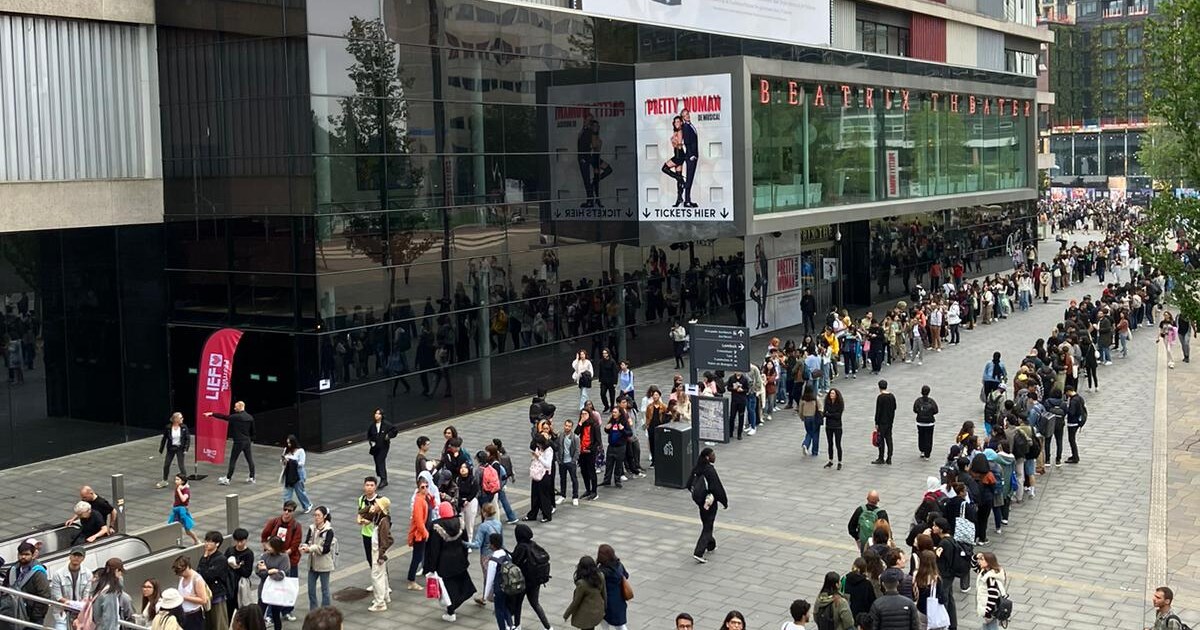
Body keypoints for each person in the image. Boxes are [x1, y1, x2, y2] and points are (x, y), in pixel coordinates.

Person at [423, 502, 477, 623]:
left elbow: (434, 549)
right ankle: (460, 600)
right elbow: (465, 543)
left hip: (444, 564)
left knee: (448, 590)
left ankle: (451, 611)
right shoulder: (460, 522)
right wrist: (465, 557)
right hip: (459, 560)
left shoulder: (436, 526)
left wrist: (431, 567)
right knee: (462, 583)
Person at [259, 502, 302, 622]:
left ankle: (287, 610)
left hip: (289, 561)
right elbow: (264, 535)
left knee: (288, 587)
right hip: (274, 559)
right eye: (285, 509)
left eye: (290, 510)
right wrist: (268, 549)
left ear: (293, 512)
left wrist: (283, 555)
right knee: (273, 586)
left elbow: (295, 544)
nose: (287, 512)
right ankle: (271, 614)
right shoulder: (274, 522)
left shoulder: (296, 526)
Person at [687, 447, 728, 564]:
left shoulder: (697, 468)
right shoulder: (709, 470)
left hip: (701, 502)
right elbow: (716, 487)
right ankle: (698, 552)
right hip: (709, 502)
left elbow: (689, 484)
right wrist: (724, 501)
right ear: (707, 457)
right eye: (712, 454)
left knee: (707, 523)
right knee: (708, 526)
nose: (714, 456)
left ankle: (711, 545)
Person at [511, 524, 553, 630]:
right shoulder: (533, 544)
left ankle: (517, 625)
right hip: (536, 580)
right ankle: (548, 627)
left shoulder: (521, 547)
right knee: (535, 604)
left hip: (524, 581)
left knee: (518, 603)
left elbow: (515, 562)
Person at [207, 401, 256, 486]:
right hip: (247, 441)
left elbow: (223, 417)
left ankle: (228, 478)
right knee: (249, 459)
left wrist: (212, 414)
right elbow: (253, 430)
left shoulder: (235, 417)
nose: (234, 408)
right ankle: (252, 477)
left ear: (240, 407)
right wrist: (250, 439)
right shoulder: (250, 417)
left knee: (233, 460)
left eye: (236, 407)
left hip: (238, 442)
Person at [300, 507, 335, 610]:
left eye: (318, 515)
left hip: (324, 564)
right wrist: (304, 546)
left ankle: (326, 610)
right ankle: (313, 610)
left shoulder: (329, 531)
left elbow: (325, 549)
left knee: (325, 590)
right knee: (311, 589)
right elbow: (307, 541)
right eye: (314, 515)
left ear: (324, 516)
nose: (316, 518)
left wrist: (312, 548)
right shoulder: (312, 528)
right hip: (312, 564)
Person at [196, 532, 232, 630]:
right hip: (206, 595)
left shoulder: (221, 559)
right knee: (208, 624)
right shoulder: (204, 557)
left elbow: (208, 576)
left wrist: (204, 564)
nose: (207, 544)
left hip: (217, 594)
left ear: (217, 544)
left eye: (210, 542)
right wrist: (204, 558)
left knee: (219, 624)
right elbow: (198, 573)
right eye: (206, 541)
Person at [50, 547, 91, 630]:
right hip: (62, 612)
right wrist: (72, 604)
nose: (76, 558)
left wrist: (78, 605)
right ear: (70, 556)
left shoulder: (87, 574)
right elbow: (57, 597)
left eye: (79, 556)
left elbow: (86, 596)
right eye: (74, 555)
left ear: (83, 558)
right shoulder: (58, 574)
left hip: (80, 613)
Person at [562, 556, 605, 630]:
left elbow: (576, 601)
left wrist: (566, 614)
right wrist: (604, 607)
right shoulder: (600, 575)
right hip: (597, 610)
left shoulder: (582, 584)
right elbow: (604, 593)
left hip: (586, 615)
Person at [256, 538, 290, 630]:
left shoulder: (284, 557)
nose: (268, 548)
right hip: (264, 590)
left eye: (270, 546)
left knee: (275, 615)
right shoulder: (265, 555)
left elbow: (282, 575)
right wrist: (271, 571)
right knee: (259, 615)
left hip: (277, 591)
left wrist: (266, 571)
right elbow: (259, 572)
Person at [405, 477, 432, 593]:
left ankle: (413, 578)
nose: (425, 489)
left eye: (426, 486)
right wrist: (425, 533)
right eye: (422, 487)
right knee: (417, 557)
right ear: (418, 488)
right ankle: (411, 580)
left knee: (419, 555)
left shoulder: (424, 497)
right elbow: (418, 520)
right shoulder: (418, 501)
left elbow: (432, 507)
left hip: (422, 532)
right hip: (419, 534)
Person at [367, 496, 394, 612]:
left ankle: (380, 602)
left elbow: (386, 539)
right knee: (382, 575)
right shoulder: (380, 517)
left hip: (378, 551)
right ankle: (385, 596)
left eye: (377, 504)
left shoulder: (383, 521)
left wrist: (381, 555)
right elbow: (363, 514)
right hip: (377, 550)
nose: (375, 504)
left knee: (376, 575)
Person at [482, 533, 514, 630]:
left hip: (499, 588)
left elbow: (490, 579)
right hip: (509, 586)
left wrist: (485, 595)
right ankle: (510, 625)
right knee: (506, 607)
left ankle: (503, 628)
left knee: (499, 610)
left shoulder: (493, 559)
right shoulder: (507, 554)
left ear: (492, 545)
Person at [914, 551, 950, 630]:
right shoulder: (936, 579)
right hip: (932, 610)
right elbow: (942, 599)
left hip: (920, 609)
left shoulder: (917, 575)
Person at [597, 544, 629, 630]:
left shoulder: (602, 572)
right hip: (619, 600)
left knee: (604, 624)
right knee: (620, 625)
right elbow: (626, 575)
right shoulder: (619, 565)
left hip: (607, 602)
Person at [172, 555, 210, 630]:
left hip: (194, 615)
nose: (181, 575)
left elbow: (203, 600)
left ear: (187, 567)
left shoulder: (197, 579)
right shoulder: (181, 577)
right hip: (182, 613)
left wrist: (184, 597)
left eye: (181, 572)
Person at [224, 529, 255, 617]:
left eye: (241, 541)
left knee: (242, 612)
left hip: (240, 586)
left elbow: (247, 573)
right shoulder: (230, 550)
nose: (239, 544)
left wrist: (237, 567)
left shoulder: (248, 554)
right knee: (228, 613)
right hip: (229, 585)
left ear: (246, 540)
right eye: (237, 541)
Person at [525, 434, 556, 523]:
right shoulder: (538, 448)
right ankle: (532, 514)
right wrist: (534, 457)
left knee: (544, 496)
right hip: (536, 473)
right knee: (535, 495)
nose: (537, 446)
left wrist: (539, 457)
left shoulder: (549, 450)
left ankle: (547, 515)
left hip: (545, 475)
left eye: (539, 444)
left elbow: (548, 464)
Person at [974, 552, 1007, 630]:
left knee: (991, 626)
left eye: (982, 560)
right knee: (987, 626)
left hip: (989, 609)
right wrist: (976, 556)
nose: (979, 561)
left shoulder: (990, 577)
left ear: (988, 562)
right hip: (986, 607)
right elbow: (973, 565)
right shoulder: (983, 571)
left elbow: (993, 596)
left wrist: (988, 612)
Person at [157, 412, 191, 488]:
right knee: (166, 464)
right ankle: (164, 480)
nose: (182, 419)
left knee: (181, 465)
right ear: (176, 419)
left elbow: (187, 439)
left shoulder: (184, 427)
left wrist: (186, 449)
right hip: (171, 448)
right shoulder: (168, 427)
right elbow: (164, 439)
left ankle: (184, 482)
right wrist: (161, 450)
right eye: (181, 418)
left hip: (180, 448)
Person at [280, 435, 312, 514]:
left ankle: (307, 505)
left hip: (298, 474)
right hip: (288, 473)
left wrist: (292, 461)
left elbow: (302, 463)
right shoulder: (286, 450)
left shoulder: (300, 451)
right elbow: (282, 460)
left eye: (290, 443)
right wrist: (284, 461)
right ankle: (287, 509)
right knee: (287, 493)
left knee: (300, 492)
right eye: (287, 443)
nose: (289, 445)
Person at [366, 409, 397, 489]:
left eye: (379, 414)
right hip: (375, 447)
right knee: (377, 461)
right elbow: (369, 435)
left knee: (380, 460)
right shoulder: (372, 425)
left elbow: (394, 430)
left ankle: (384, 479)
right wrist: (371, 442)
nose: (377, 415)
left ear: (382, 415)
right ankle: (380, 474)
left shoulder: (386, 424)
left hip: (384, 446)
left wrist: (388, 436)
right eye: (376, 413)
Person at [356, 477, 381, 573]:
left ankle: (384, 582)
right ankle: (375, 579)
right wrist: (359, 519)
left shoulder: (380, 501)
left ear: (375, 487)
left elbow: (383, 518)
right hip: (366, 533)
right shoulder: (361, 499)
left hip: (377, 534)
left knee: (379, 559)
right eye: (367, 485)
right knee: (370, 558)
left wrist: (369, 520)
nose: (369, 487)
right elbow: (360, 512)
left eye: (372, 485)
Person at [168, 473, 200, 545]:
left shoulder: (185, 491)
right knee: (173, 527)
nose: (176, 481)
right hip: (176, 509)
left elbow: (183, 499)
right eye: (175, 479)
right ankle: (176, 542)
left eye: (178, 480)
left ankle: (197, 540)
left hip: (182, 511)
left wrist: (179, 490)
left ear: (182, 481)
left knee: (187, 529)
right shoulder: (180, 486)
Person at [873, 380, 897, 465]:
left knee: (881, 439)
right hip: (890, 421)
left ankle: (881, 457)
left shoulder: (880, 397)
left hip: (882, 422)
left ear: (879, 387)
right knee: (889, 439)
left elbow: (878, 411)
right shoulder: (892, 396)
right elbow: (894, 407)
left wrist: (876, 422)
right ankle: (889, 457)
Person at [913, 385, 939, 459]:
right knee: (929, 438)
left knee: (921, 436)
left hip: (920, 422)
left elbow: (915, 410)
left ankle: (922, 451)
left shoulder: (918, 401)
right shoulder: (931, 401)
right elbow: (936, 411)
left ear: (921, 391)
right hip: (930, 423)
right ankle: (927, 454)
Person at [559, 418, 581, 507]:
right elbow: (558, 447)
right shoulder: (560, 435)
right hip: (562, 461)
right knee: (562, 479)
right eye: (566, 425)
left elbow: (577, 450)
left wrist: (573, 461)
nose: (567, 427)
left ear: (571, 428)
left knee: (574, 479)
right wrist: (558, 459)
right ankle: (562, 495)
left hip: (570, 462)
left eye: (569, 426)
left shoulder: (575, 437)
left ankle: (575, 497)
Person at [824, 389, 846, 470]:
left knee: (838, 444)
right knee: (830, 444)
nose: (831, 395)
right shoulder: (827, 402)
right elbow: (824, 413)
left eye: (833, 393)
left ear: (836, 395)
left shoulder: (839, 404)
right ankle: (830, 460)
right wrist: (831, 414)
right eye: (830, 393)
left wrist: (829, 414)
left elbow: (838, 415)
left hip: (837, 427)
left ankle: (840, 461)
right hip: (829, 426)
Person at [799, 388, 822, 458]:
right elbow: (820, 408)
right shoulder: (815, 398)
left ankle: (805, 444)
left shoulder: (803, 399)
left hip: (806, 418)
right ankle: (815, 451)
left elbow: (800, 410)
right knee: (815, 434)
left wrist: (802, 417)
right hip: (814, 417)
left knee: (809, 432)